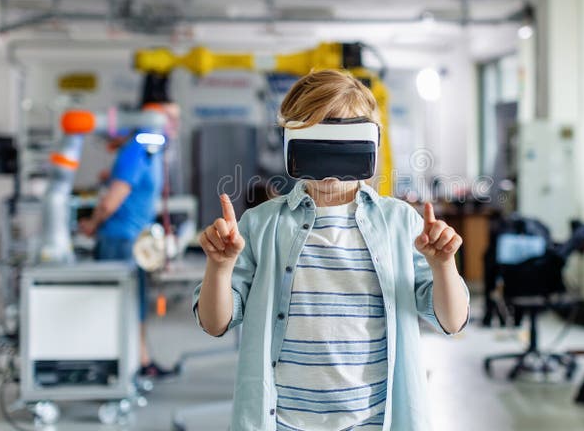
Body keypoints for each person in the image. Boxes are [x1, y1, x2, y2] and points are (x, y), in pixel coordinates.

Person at [193, 70, 470, 431]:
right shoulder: (259, 226)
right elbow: (215, 324)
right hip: (281, 421)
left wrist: (443, 265)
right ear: (292, 141)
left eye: (345, 140)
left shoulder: (401, 224)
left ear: (371, 143)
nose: (331, 163)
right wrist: (219, 266)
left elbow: (452, 321)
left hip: (375, 420)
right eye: (318, 139)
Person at [79, 98, 177, 379]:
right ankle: (118, 366)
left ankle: (140, 362)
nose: (173, 125)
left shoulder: (149, 150)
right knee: (119, 307)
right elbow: (111, 202)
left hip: (135, 241)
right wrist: (93, 224)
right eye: (168, 118)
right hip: (119, 241)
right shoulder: (137, 149)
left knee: (135, 306)